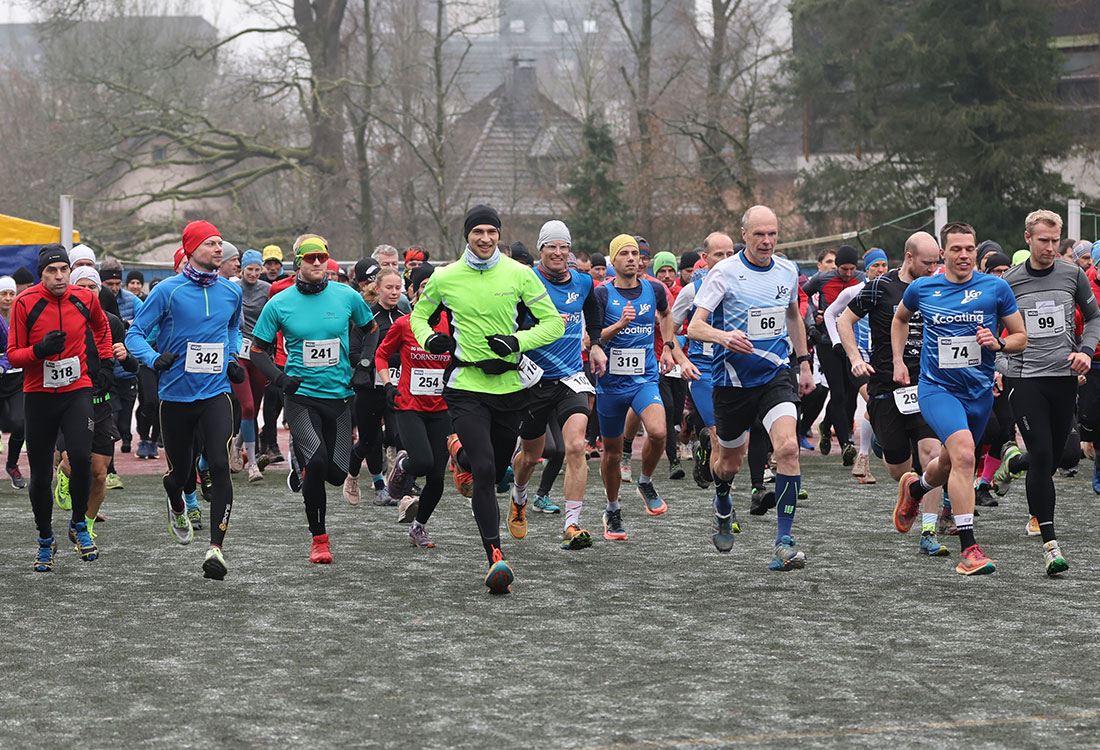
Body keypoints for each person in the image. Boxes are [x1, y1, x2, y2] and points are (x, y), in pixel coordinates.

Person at [409, 205, 565, 594]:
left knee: (494, 472)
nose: (484, 238)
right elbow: (418, 316)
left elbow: (554, 324)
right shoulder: (445, 277)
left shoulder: (519, 274)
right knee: (483, 470)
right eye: (477, 231)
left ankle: (456, 451)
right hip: (466, 386)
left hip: (510, 388)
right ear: (467, 235)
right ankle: (495, 557)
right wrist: (430, 339)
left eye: (491, 232)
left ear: (499, 234)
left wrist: (517, 341)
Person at [890, 221, 1026, 576]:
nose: (963, 255)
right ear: (943, 252)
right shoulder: (923, 287)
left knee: (952, 461)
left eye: (969, 249)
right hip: (937, 389)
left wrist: (997, 343)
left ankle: (916, 489)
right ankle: (970, 549)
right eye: (956, 249)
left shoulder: (995, 288)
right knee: (965, 452)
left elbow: (1020, 337)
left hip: (978, 393)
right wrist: (897, 360)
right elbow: (900, 319)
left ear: (976, 250)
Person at [687, 206, 815, 569]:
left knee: (788, 448)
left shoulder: (788, 270)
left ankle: (783, 541)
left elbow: (792, 315)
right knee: (729, 463)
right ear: (744, 234)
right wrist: (724, 337)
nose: (767, 241)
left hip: (776, 373)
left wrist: (803, 362)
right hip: (732, 382)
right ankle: (723, 498)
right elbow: (695, 328)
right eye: (759, 234)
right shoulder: (723, 273)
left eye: (772, 234)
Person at [126, 220, 245, 580]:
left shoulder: (231, 292)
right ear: (192, 249)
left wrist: (232, 358)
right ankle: (174, 496)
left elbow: (232, 328)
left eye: (220, 243)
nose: (218, 249)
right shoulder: (169, 292)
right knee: (179, 472)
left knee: (220, 466)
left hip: (215, 393)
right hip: (175, 396)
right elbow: (135, 334)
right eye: (210, 243)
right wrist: (152, 358)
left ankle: (216, 550)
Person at [250, 235, 376, 564]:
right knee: (317, 461)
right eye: (310, 259)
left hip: (340, 397)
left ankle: (306, 472)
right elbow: (257, 351)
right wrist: (280, 379)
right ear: (299, 265)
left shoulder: (347, 296)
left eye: (322, 257)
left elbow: (371, 328)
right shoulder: (279, 303)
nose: (317, 263)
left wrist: (363, 364)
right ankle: (319, 539)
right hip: (301, 397)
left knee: (335, 474)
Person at [992, 210, 1099, 575]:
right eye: (1043, 240)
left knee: (1060, 457)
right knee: (1041, 455)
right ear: (1028, 238)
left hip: (1065, 377)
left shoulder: (1073, 275)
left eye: (1056, 241)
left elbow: (1095, 317)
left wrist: (1085, 351)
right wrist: (996, 365)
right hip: (1026, 378)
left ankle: (1011, 465)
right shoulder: (1009, 282)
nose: (1051, 247)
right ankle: (1050, 544)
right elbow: (992, 330)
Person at [838, 231, 951, 556]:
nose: (933, 269)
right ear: (910, 257)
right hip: (886, 386)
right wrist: (856, 358)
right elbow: (845, 321)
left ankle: (928, 532)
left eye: (936, 263)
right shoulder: (879, 287)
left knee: (931, 454)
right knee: (898, 468)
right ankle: (891, 459)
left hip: (927, 384)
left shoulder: (938, 285)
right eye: (928, 263)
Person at [8, 244, 113, 571]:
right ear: (41, 274)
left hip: (76, 390)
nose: (58, 276)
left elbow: (102, 327)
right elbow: (14, 355)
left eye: (63, 269)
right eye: (51, 271)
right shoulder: (25, 303)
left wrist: (106, 361)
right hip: (39, 393)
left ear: (70, 270)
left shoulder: (86, 298)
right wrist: (38, 350)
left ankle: (79, 524)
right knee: (41, 475)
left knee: (81, 458)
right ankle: (44, 539)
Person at [508, 220, 607, 549]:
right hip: (533, 380)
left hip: (570, 376)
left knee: (576, 446)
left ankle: (571, 524)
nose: (559, 252)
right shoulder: (527, 281)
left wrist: (594, 344)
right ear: (541, 249)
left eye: (564, 246)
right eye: (552, 246)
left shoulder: (582, 281)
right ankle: (519, 497)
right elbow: (511, 323)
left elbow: (592, 310)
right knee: (530, 456)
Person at [595, 234, 698, 540]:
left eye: (635, 254)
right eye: (624, 254)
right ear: (613, 262)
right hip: (610, 385)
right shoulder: (602, 295)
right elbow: (594, 337)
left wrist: (667, 346)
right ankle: (612, 509)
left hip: (644, 378)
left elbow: (667, 314)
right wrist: (619, 326)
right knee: (612, 455)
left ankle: (645, 480)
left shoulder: (654, 288)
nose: (631, 258)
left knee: (659, 431)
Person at [376, 264, 451, 545]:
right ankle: (404, 463)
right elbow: (381, 355)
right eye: (424, 287)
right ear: (415, 292)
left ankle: (418, 526)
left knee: (437, 477)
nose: (432, 293)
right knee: (422, 461)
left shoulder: (454, 324)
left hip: (442, 408)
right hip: (409, 405)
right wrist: (387, 384)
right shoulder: (405, 324)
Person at [671, 232, 735, 497]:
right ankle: (724, 507)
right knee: (719, 435)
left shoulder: (743, 286)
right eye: (718, 254)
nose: (725, 260)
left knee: (734, 445)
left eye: (730, 254)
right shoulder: (692, 291)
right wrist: (682, 360)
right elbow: (668, 332)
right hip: (703, 371)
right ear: (705, 259)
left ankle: (703, 453)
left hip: (735, 372)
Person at [823, 247, 889, 483]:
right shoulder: (854, 292)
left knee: (883, 406)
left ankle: (878, 445)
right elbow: (831, 314)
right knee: (873, 401)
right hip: (859, 361)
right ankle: (863, 459)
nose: (880, 270)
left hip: (885, 360)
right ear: (867, 269)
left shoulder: (893, 290)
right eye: (875, 266)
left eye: (884, 265)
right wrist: (837, 343)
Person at [803, 245, 866, 464]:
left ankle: (826, 425)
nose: (848, 274)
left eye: (851, 269)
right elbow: (802, 296)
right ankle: (847, 444)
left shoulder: (861, 279)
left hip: (853, 344)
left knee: (851, 394)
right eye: (843, 269)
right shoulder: (822, 278)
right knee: (838, 392)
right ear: (837, 266)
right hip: (827, 343)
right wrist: (814, 315)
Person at [346, 263, 402, 506]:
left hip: (397, 388)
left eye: (398, 288)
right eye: (389, 287)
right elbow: (353, 353)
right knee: (369, 441)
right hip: (369, 387)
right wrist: (376, 364)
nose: (394, 292)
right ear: (377, 289)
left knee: (396, 435)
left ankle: (396, 487)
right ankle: (359, 471)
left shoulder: (406, 318)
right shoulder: (367, 319)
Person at [233, 249, 270, 482]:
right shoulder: (234, 288)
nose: (254, 274)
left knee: (254, 409)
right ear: (242, 269)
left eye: (258, 269)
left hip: (259, 352)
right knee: (246, 407)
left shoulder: (267, 290)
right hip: (239, 352)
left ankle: (237, 446)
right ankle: (253, 464)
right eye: (250, 269)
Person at [0, 275, 27, 489]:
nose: (8, 298)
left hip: (18, 378)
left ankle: (12, 465)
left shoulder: (21, 315)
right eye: (3, 294)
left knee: (20, 423)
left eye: (11, 294)